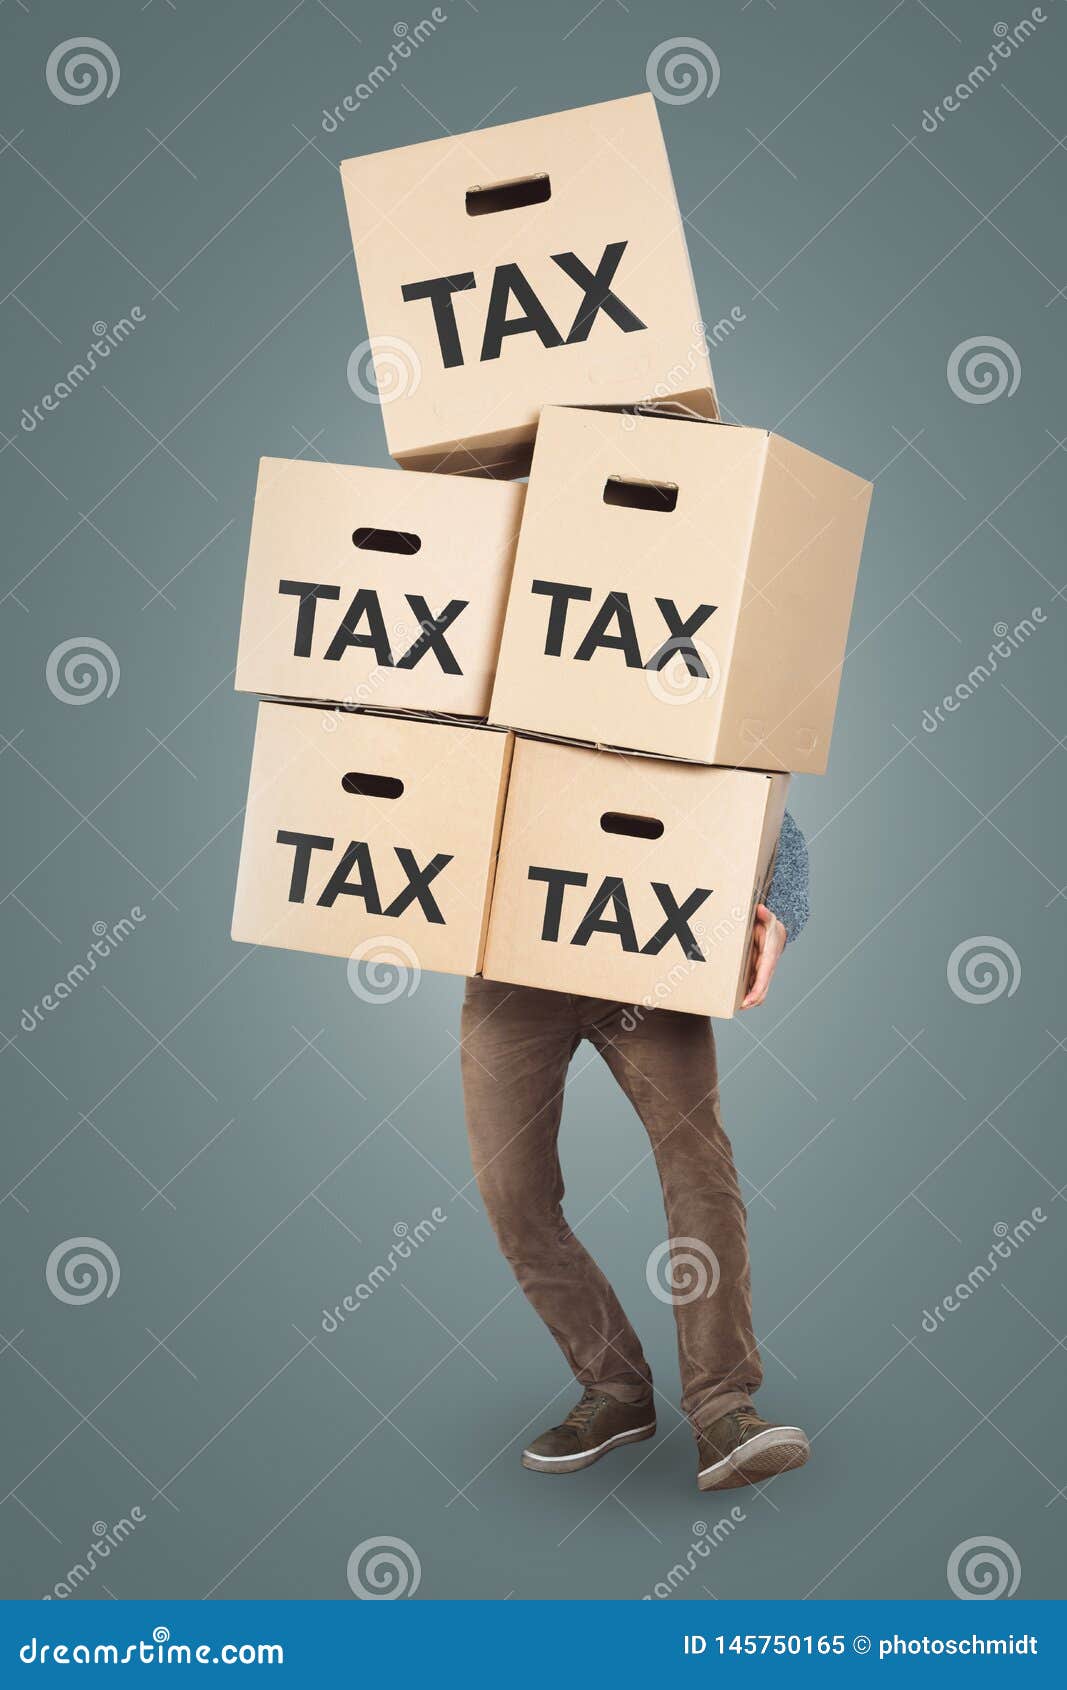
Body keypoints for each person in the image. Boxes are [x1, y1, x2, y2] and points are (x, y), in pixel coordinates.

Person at [460, 811, 811, 1493]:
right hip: (510, 968)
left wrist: (784, 914)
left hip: (646, 952)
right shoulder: (497, 698)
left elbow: (761, 804)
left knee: (697, 1168)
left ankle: (722, 1408)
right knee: (512, 1193)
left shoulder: (666, 698)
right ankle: (615, 1389)